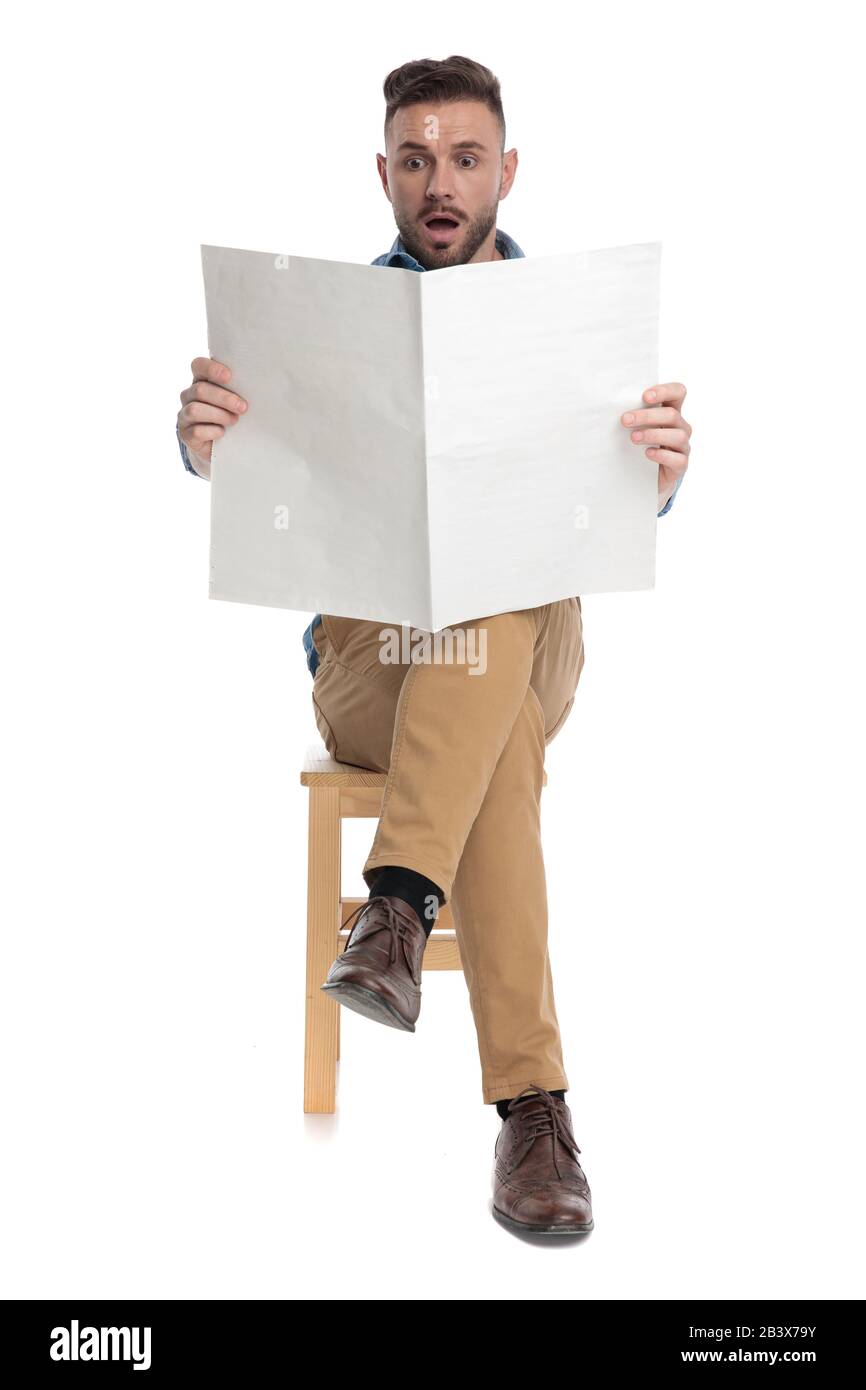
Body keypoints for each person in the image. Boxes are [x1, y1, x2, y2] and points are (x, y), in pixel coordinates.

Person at [176, 55, 692, 1237]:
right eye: (415, 160)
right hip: (372, 665)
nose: (440, 183)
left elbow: (618, 507)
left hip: (529, 639)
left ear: (505, 170)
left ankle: (394, 908)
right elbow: (260, 491)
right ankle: (532, 1111)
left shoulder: (576, 330)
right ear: (383, 175)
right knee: (490, 725)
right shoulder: (321, 325)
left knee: (495, 585)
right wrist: (208, 447)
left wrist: (657, 476)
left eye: (464, 158)